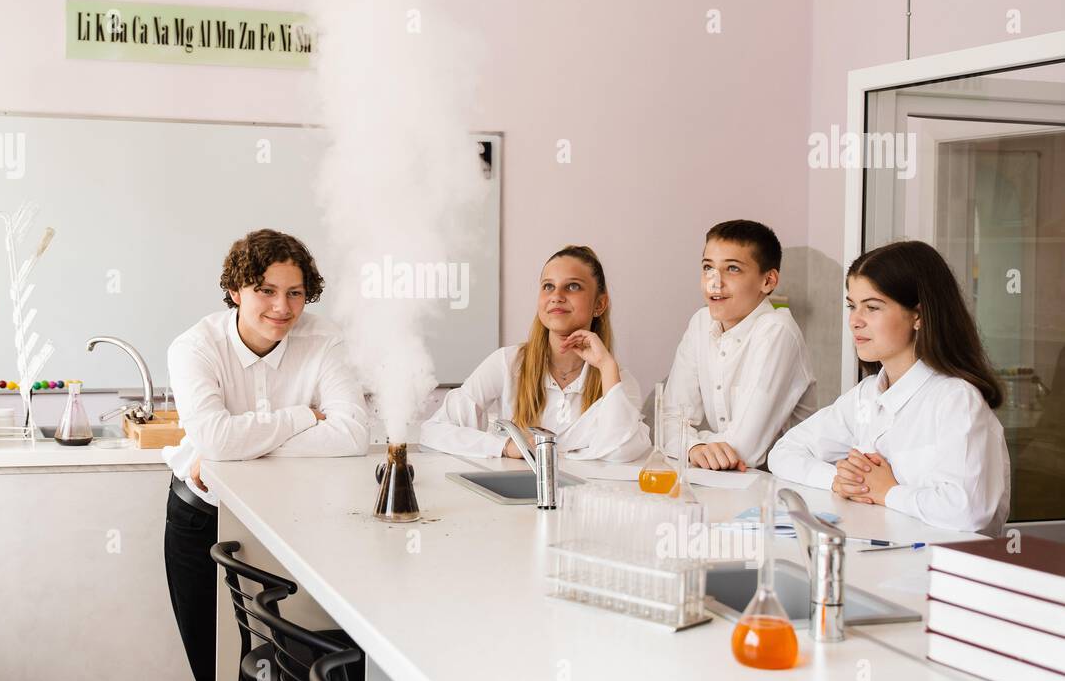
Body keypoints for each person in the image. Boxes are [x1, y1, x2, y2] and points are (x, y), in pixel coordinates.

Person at [161, 229, 368, 681]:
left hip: (296, 523)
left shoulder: (323, 339)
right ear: (236, 291)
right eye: (266, 291)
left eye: (295, 293)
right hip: (202, 520)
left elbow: (354, 435)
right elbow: (213, 439)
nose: (282, 307)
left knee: (292, 673)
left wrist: (231, 450)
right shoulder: (194, 347)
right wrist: (302, 416)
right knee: (213, 672)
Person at [768, 240, 1009, 536]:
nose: (855, 321)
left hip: (944, 572)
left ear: (918, 315)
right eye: (852, 306)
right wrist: (840, 479)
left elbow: (969, 511)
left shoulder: (955, 399)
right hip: (886, 560)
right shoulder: (868, 394)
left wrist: (888, 491)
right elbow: (784, 453)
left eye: (872, 307)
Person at [420, 245, 650, 461]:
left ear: (599, 304)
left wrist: (606, 366)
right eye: (548, 286)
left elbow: (622, 451)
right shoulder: (508, 363)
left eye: (573, 286)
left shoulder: (618, 381)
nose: (556, 295)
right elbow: (432, 432)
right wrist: (506, 446)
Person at [663, 220, 816, 470]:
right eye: (707, 267)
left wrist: (692, 442)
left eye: (732, 269)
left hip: (781, 486)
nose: (715, 282)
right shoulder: (701, 323)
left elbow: (744, 450)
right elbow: (668, 421)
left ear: (768, 281)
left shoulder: (777, 331)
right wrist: (694, 447)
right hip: (730, 481)